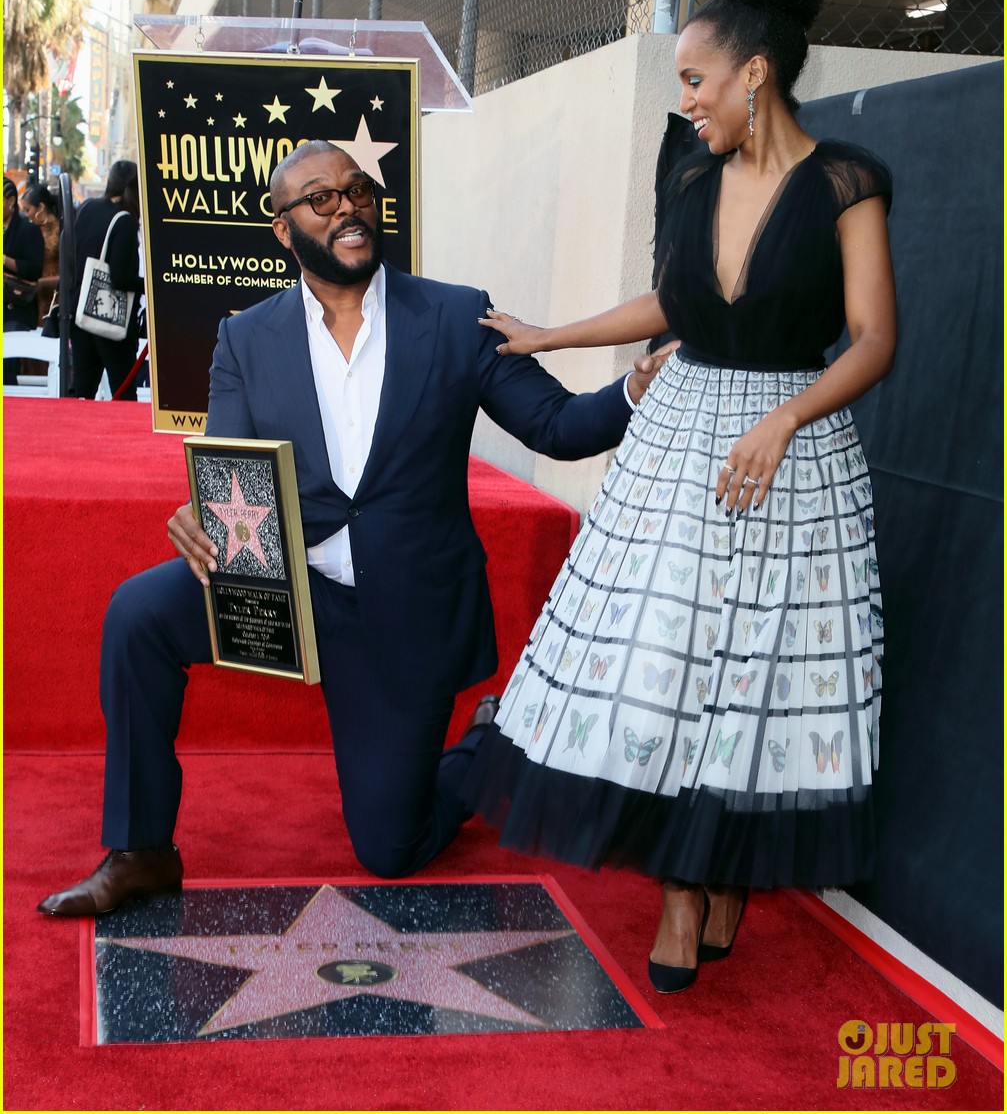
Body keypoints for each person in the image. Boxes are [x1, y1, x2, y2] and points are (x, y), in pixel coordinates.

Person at [37, 140, 668, 917]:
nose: (347, 209)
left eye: (356, 191)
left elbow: (558, 425)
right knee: (138, 613)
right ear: (283, 228)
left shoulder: (452, 314)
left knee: (390, 852)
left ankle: (490, 740)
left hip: (400, 609)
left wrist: (634, 386)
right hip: (288, 587)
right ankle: (141, 851)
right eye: (321, 199)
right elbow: (232, 466)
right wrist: (201, 513)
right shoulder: (247, 337)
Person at [463, 0, 897, 994]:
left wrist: (784, 418)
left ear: (755, 73)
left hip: (788, 452)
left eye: (696, 81)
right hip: (681, 438)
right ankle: (676, 892)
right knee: (665, 656)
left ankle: (721, 867)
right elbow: (670, 302)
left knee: (757, 669)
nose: (687, 101)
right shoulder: (692, 170)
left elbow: (872, 338)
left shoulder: (846, 180)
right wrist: (548, 335)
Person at [70, 159, 144, 400]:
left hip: (80, 315)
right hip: (111, 322)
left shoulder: (87, 208)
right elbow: (120, 277)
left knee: (83, 393)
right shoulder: (125, 220)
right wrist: (149, 286)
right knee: (124, 395)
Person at [3, 174, 46, 385]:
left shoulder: (28, 231)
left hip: (16, 307)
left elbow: (34, 269)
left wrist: (5, 260)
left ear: (11, 201)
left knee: (8, 363)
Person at [20, 183, 60, 328]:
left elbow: (69, 273)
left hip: (54, 299)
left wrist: (40, 283)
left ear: (41, 208)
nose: (25, 214)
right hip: (31, 299)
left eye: (27, 209)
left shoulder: (60, 231)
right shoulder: (29, 229)